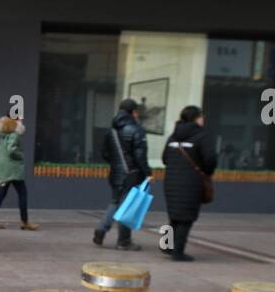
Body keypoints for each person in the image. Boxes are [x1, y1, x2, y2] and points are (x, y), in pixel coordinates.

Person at [160, 105, 218, 262]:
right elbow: (210, 159)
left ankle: (166, 245)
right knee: (185, 217)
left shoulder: (173, 136)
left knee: (174, 215)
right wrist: (206, 171)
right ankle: (178, 253)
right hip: (192, 182)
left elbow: (164, 159)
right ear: (196, 118)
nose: (203, 119)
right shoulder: (202, 136)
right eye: (201, 116)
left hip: (171, 181)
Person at [93, 98, 150, 251]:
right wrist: (147, 172)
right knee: (128, 206)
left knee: (116, 202)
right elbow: (140, 155)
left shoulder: (111, 130)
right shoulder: (136, 129)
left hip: (116, 174)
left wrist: (116, 164)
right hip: (131, 175)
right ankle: (123, 241)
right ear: (134, 112)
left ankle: (101, 228)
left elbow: (105, 153)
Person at [0, 116, 37, 230]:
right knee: (22, 194)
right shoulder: (14, 135)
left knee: (0, 195)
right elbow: (12, 150)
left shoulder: (3, 136)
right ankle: (24, 221)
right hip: (14, 170)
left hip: (4, 170)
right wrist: (21, 155)